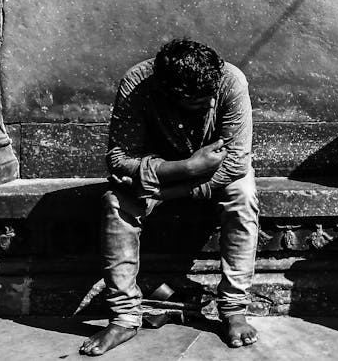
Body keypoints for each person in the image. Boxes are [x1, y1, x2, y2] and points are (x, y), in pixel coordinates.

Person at [80, 39, 259, 356]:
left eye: (210, 98)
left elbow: (235, 163)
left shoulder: (230, 81)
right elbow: (119, 160)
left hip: (203, 177)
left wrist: (166, 193)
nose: (208, 104)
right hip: (163, 171)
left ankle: (233, 309)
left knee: (243, 195)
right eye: (197, 102)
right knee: (115, 203)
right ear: (170, 93)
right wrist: (187, 166)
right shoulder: (138, 84)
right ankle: (123, 317)